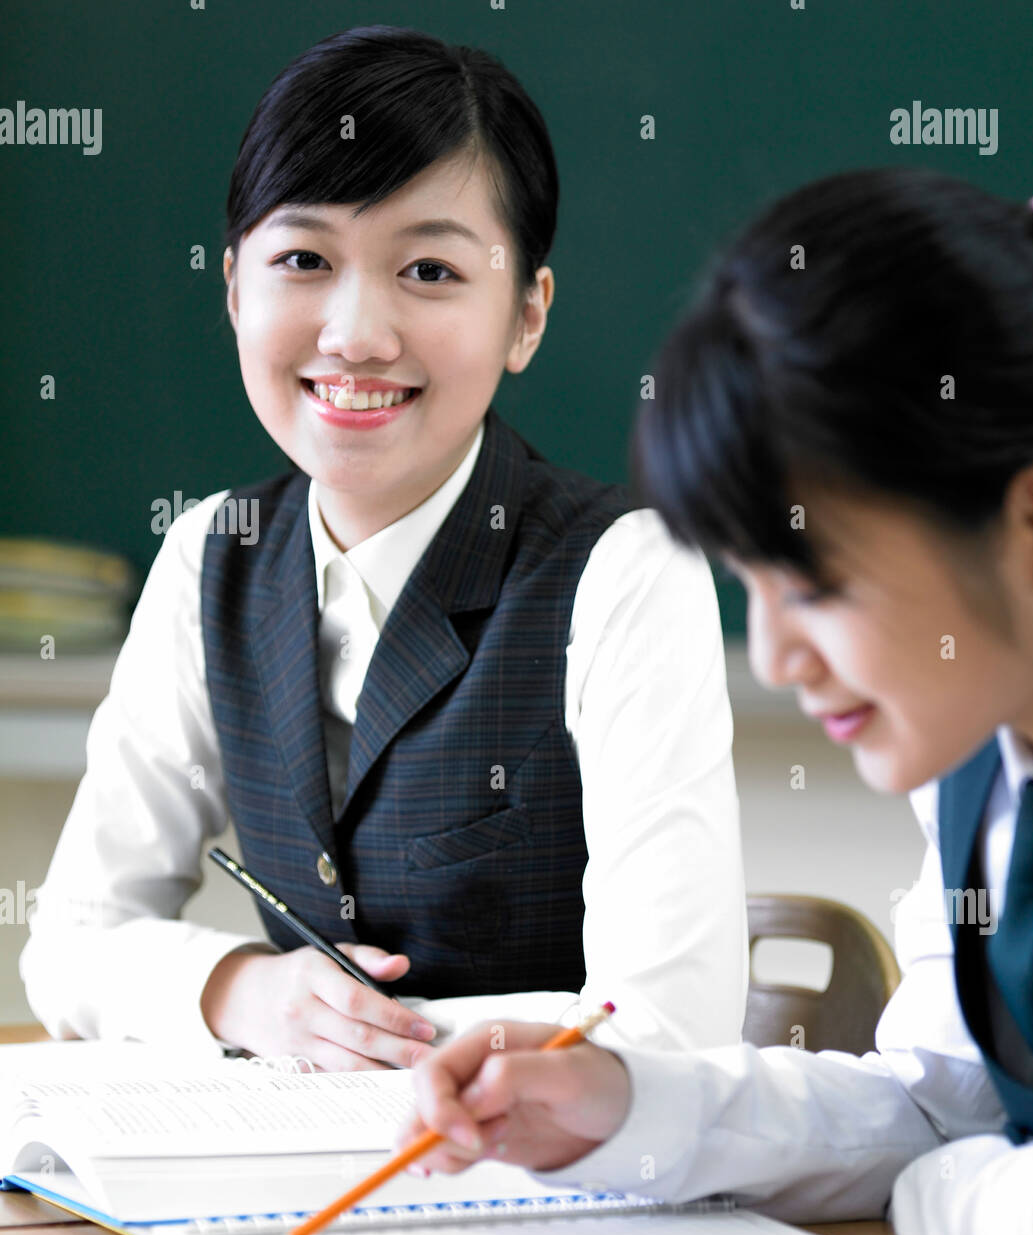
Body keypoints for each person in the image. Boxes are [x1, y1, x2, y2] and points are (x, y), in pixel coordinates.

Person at [394, 165, 1033, 1235]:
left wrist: (934, 1187)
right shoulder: (990, 699)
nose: (773, 659)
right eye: (747, 586)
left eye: (814, 586)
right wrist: (625, 1104)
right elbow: (940, 1099)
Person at [21, 27, 747, 1068]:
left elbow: (673, 1025)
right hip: (287, 1185)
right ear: (234, 289)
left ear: (525, 317)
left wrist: (378, 1036)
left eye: (429, 269)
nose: (356, 333)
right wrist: (243, 990)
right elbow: (72, 946)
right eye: (304, 260)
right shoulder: (210, 556)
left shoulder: (623, 572)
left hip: (552, 1198)